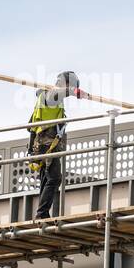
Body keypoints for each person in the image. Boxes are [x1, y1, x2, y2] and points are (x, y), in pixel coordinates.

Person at [28, 71, 81, 219]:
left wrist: (30, 149)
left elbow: (31, 126)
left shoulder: (47, 97)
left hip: (43, 143)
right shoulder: (49, 96)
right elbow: (54, 97)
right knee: (54, 178)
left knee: (46, 179)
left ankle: (41, 213)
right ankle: (42, 213)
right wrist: (72, 91)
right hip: (46, 143)